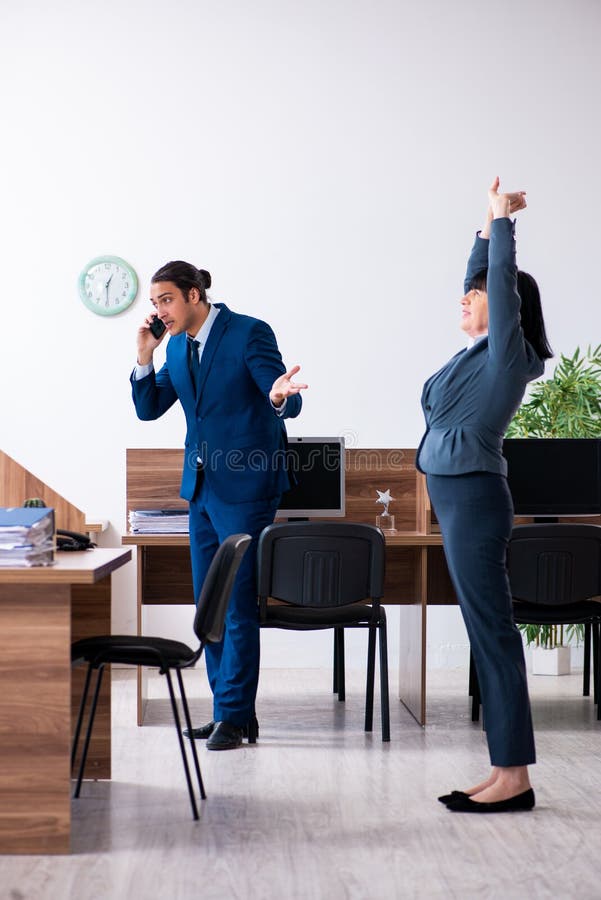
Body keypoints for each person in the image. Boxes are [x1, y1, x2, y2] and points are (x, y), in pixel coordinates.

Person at [416, 178, 553, 812]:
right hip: (458, 496)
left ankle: (515, 777)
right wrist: (482, 225)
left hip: (473, 498)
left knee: (493, 634)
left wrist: (504, 225)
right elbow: (483, 279)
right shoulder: (475, 354)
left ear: (503, 311)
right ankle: (504, 771)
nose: (464, 300)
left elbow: (497, 283)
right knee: (485, 633)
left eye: (474, 296)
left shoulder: (506, 355)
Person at [131, 261, 306, 750]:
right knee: (209, 605)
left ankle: (233, 714)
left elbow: (285, 398)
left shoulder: (247, 332)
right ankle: (229, 713)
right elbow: (149, 408)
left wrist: (277, 396)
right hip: (202, 489)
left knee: (237, 603)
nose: (159, 310)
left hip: (248, 486)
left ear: (193, 295)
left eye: (165, 299)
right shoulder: (180, 348)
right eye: (154, 303)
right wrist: (145, 358)